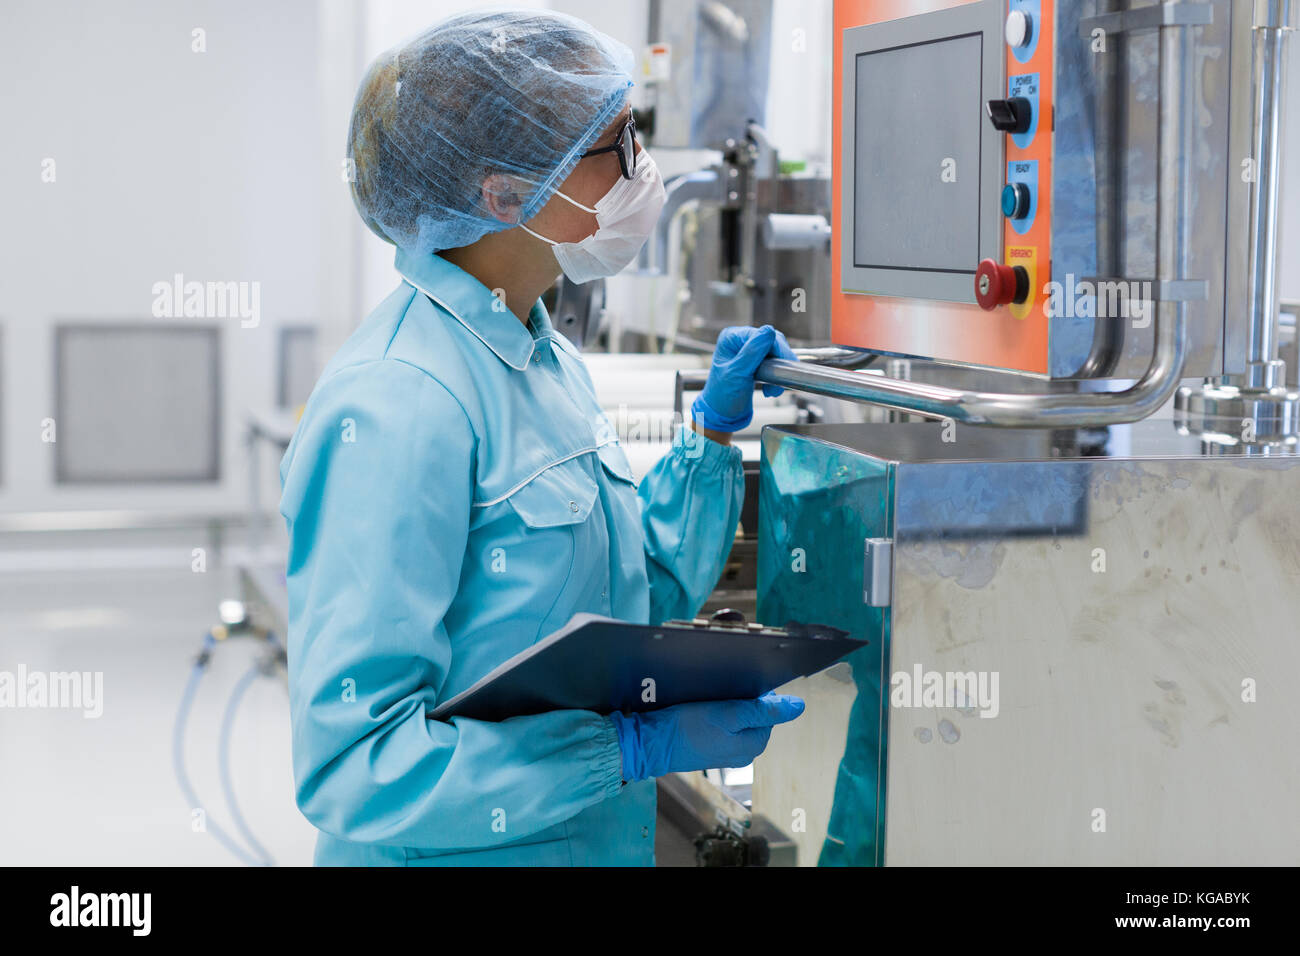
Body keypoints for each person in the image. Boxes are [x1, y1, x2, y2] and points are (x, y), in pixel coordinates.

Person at [279, 8, 803, 867]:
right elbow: (356, 770)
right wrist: (625, 752)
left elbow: (623, 609)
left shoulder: (539, 354)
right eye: (618, 147)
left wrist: (708, 442)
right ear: (505, 192)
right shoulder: (398, 403)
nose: (644, 173)